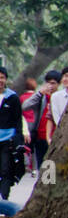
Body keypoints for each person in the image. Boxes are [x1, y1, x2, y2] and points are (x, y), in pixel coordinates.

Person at [22, 71, 60, 173]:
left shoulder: (60, 98)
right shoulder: (42, 98)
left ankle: (50, 187)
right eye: (48, 83)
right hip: (40, 138)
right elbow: (25, 106)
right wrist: (39, 93)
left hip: (55, 137)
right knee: (43, 169)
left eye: (53, 83)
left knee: (53, 170)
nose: (50, 86)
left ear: (58, 84)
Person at [0, 66, 24, 199]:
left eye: (2, 77)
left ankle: (4, 199)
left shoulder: (13, 97)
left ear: (6, 79)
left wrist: (18, 139)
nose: (0, 80)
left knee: (6, 169)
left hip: (7, 140)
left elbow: (18, 120)